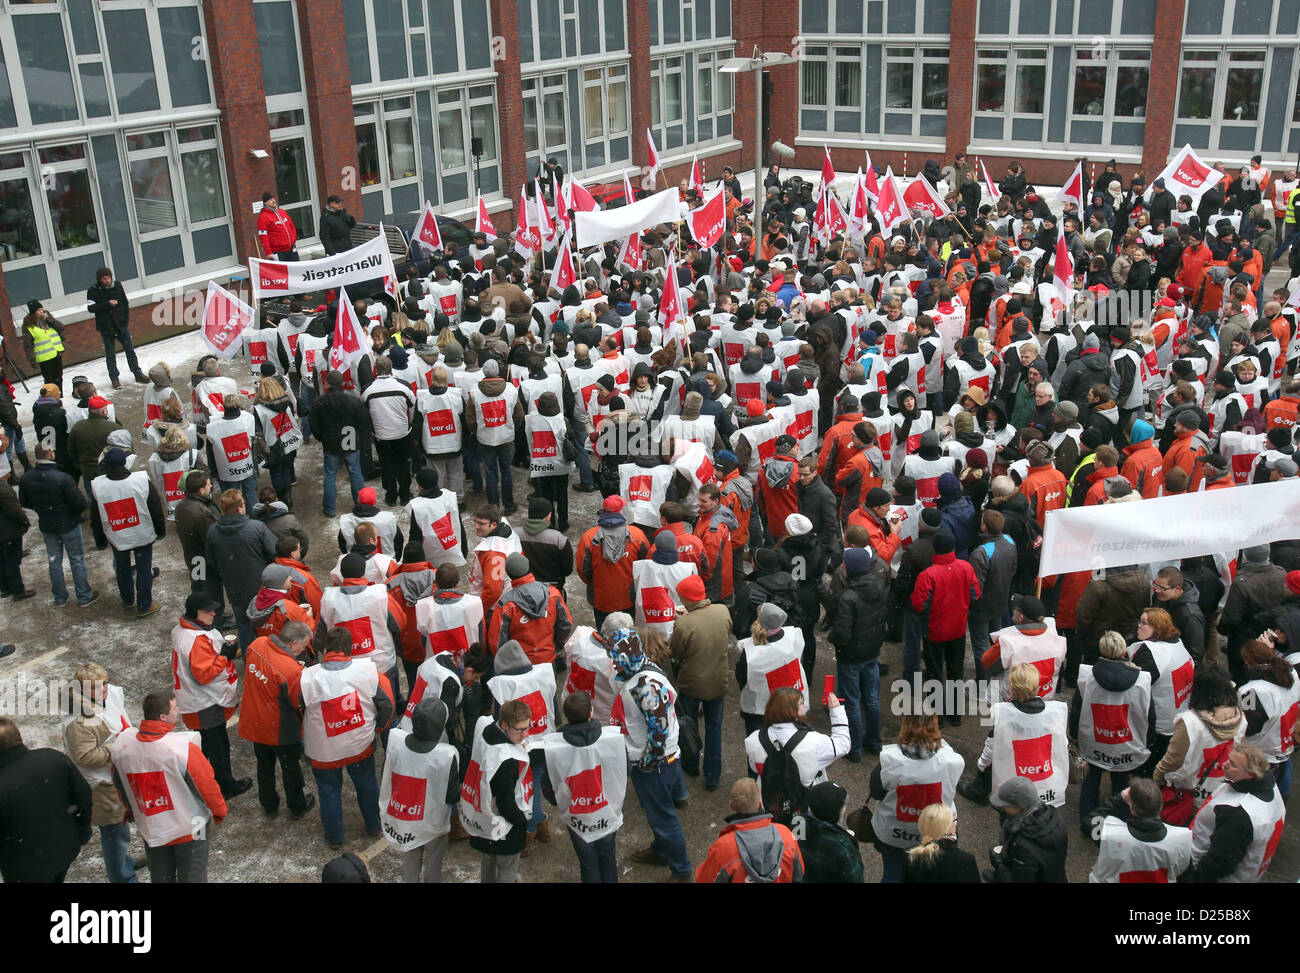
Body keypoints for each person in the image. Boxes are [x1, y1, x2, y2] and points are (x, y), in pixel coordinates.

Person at [111, 690, 228, 883]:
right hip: (192, 826)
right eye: (175, 708)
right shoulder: (182, 748)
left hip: (153, 828)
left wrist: (130, 808)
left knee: (161, 876)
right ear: (163, 716)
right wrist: (219, 809)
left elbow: (119, 782)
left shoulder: (122, 746)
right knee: (194, 875)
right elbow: (205, 783)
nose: (178, 710)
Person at [606, 626, 693, 881]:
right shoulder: (643, 671)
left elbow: (659, 730)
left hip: (655, 764)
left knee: (663, 818)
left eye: (615, 658)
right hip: (660, 759)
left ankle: (681, 868)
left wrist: (647, 762)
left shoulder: (645, 686)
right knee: (660, 814)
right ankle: (661, 849)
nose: (612, 663)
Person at [300, 627, 395, 849]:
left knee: (329, 791)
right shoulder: (369, 672)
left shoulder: (307, 678)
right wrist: (377, 729)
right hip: (359, 745)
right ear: (350, 649)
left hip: (324, 751)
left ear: (325, 650)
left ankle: (335, 837)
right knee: (367, 785)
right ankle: (373, 825)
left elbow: (298, 707)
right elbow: (387, 706)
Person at [1070, 631, 1155, 832]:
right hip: (1125, 745)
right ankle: (1120, 825)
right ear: (1124, 651)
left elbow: (1076, 710)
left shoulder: (1086, 677)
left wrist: (1074, 734)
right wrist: (1148, 741)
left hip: (1094, 742)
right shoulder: (1142, 680)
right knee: (1121, 786)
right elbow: (1149, 716)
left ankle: (1088, 823)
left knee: (1091, 781)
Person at [61, 663, 137, 883]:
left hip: (114, 776)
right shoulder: (79, 721)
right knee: (115, 834)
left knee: (120, 831)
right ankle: (122, 877)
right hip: (102, 785)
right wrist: (116, 747)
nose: (104, 689)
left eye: (105, 683)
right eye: (95, 687)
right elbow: (84, 757)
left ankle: (124, 865)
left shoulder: (100, 701)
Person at [542, 690, 627, 883]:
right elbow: (625, 770)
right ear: (591, 712)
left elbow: (550, 787)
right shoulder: (612, 740)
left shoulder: (554, 749)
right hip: (607, 812)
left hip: (577, 818)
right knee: (607, 856)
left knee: (587, 862)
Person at [172, 593, 252, 799]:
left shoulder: (183, 631)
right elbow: (204, 675)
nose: (213, 614)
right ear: (194, 614)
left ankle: (199, 781)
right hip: (203, 702)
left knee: (206, 746)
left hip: (194, 700)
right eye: (207, 611)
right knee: (217, 747)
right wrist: (224, 655)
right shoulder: (195, 641)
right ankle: (224, 786)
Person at [870, 713, 966, 882]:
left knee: (892, 874)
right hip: (934, 834)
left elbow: (876, 791)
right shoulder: (953, 760)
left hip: (893, 835)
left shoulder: (889, 759)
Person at [0, 716, 92, 882]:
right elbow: (83, 796)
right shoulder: (53, 758)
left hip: (23, 868)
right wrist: (81, 831)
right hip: (64, 851)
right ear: (18, 735)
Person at [239, 619, 315, 818]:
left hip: (255, 721)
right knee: (290, 768)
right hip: (280, 729)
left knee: (264, 765)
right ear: (293, 644)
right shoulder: (290, 670)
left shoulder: (257, 645)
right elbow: (298, 702)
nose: (305, 649)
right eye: (304, 645)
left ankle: (269, 803)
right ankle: (297, 804)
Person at [380, 699, 460, 883]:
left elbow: (387, 775)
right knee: (433, 864)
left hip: (406, 821)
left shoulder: (396, 742)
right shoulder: (446, 756)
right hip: (433, 825)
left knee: (411, 857)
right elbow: (452, 795)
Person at [744, 686, 850, 822]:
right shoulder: (813, 741)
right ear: (791, 710)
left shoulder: (752, 740)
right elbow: (843, 745)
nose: (803, 706)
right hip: (805, 808)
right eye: (800, 704)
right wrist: (836, 710)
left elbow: (754, 768)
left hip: (769, 805)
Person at [1183, 744, 1286, 883]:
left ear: (1251, 774)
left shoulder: (1238, 813)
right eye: (1228, 759)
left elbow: (1220, 861)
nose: (1224, 764)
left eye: (1233, 764)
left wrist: (1195, 878)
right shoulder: (1270, 787)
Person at [668, 574, 732, 792]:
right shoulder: (723, 612)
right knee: (715, 728)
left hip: (691, 683)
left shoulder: (684, 623)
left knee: (689, 724)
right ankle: (712, 776)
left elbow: (675, 651)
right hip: (718, 680)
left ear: (687, 598)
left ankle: (691, 764)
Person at [1153, 666, 1244, 816]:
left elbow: (1174, 760)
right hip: (1220, 791)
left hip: (1188, 796)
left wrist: (1158, 776)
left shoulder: (1189, 722)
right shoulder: (1241, 718)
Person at [911, 533, 981, 725]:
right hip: (957, 629)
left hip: (934, 631)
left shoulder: (928, 575)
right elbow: (975, 594)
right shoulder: (966, 568)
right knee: (955, 671)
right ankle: (955, 715)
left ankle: (937, 716)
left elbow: (918, 603)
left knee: (934, 672)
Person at [461, 699, 533, 883]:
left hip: (484, 817)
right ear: (505, 725)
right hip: (502, 823)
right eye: (520, 730)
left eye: (527, 728)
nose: (525, 734)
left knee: (488, 861)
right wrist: (520, 822)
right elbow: (506, 801)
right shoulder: (506, 760)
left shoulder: (487, 731)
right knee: (507, 869)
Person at [92, 446, 165, 617]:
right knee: (144, 568)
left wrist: (100, 540)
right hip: (142, 534)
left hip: (118, 537)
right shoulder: (140, 481)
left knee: (123, 569)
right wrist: (160, 530)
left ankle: (127, 599)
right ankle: (144, 604)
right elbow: (155, 507)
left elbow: (96, 517)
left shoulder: (99, 486)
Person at [830, 546, 888, 759]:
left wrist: (834, 640)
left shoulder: (848, 597)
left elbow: (842, 632)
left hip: (851, 657)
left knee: (851, 701)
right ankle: (873, 742)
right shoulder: (880, 587)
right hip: (872, 653)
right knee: (871, 698)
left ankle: (854, 748)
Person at [1126, 607, 1197, 775]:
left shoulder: (1151, 653)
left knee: (1146, 771)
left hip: (1157, 724)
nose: (1138, 626)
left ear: (1157, 629)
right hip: (1177, 718)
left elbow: (1134, 688)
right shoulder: (1178, 643)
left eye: (1144, 623)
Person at [205, 488, 278, 649]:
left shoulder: (213, 532)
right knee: (266, 625)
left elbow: (211, 561)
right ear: (239, 508)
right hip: (260, 587)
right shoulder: (257, 527)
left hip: (234, 589)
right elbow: (275, 552)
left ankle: (250, 659)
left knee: (244, 625)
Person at [694, 778, 804, 883]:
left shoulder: (724, 848)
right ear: (760, 804)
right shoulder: (785, 835)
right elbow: (799, 874)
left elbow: (704, 878)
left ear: (731, 806)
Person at [1086, 778, 1193, 883]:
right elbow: (1185, 875)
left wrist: (1119, 799)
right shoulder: (1182, 840)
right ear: (1160, 806)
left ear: (1131, 807)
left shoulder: (1109, 834)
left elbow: (1088, 822)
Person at [1237, 637, 1299, 799]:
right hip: (1284, 748)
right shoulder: (1291, 672)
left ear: (1249, 662)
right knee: (1281, 795)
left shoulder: (1251, 690)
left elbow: (1249, 728)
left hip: (1262, 755)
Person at [982, 777, 1068, 883]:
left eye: (1005, 805)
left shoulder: (1024, 843)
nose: (1002, 808)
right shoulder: (1053, 815)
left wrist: (999, 865)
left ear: (1019, 807)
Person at [310, 370, 371, 517]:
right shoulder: (352, 401)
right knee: (355, 472)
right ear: (342, 383)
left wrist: (322, 437)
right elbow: (363, 421)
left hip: (330, 441)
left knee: (330, 475)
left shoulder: (320, 401)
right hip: (349, 439)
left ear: (327, 383)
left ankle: (330, 509)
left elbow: (314, 425)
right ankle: (361, 504)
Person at [68, 395, 124, 549]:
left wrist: (80, 463)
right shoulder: (114, 428)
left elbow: (71, 450)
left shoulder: (78, 427)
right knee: (114, 503)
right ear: (104, 411)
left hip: (89, 474)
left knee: (96, 506)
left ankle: (100, 538)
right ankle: (117, 530)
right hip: (110, 473)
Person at [86, 267, 146, 389]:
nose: (107, 280)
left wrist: (125, 319)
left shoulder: (117, 285)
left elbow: (125, 302)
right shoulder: (93, 290)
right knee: (110, 354)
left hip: (120, 324)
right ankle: (114, 379)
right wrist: (107, 304)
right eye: (104, 278)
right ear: (100, 279)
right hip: (106, 327)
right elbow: (91, 308)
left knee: (130, 350)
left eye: (108, 277)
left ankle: (138, 373)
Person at [903, 802, 981, 883]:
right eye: (954, 820)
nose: (955, 822)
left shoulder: (911, 854)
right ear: (946, 829)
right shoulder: (965, 860)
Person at [21, 299, 66, 391]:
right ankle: (51, 398)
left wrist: (51, 320)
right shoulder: (29, 326)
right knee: (49, 380)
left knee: (59, 377)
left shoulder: (48, 320)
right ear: (33, 313)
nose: (41, 312)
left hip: (56, 352)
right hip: (44, 357)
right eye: (38, 310)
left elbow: (61, 327)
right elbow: (27, 345)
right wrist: (32, 359)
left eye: (42, 309)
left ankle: (59, 396)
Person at [0, 473, 32, 600]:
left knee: (2, 560)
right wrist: (24, 521)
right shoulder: (3, 490)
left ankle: (5, 588)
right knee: (12, 561)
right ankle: (18, 590)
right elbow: (14, 511)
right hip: (8, 533)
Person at [257, 191, 299, 260]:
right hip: (279, 252)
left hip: (291, 249)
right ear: (265, 203)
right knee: (282, 271)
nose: (273, 201)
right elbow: (263, 236)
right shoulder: (263, 217)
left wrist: (293, 240)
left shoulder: (282, 212)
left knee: (296, 269)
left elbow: (292, 226)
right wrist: (268, 252)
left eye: (273, 198)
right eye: (270, 200)